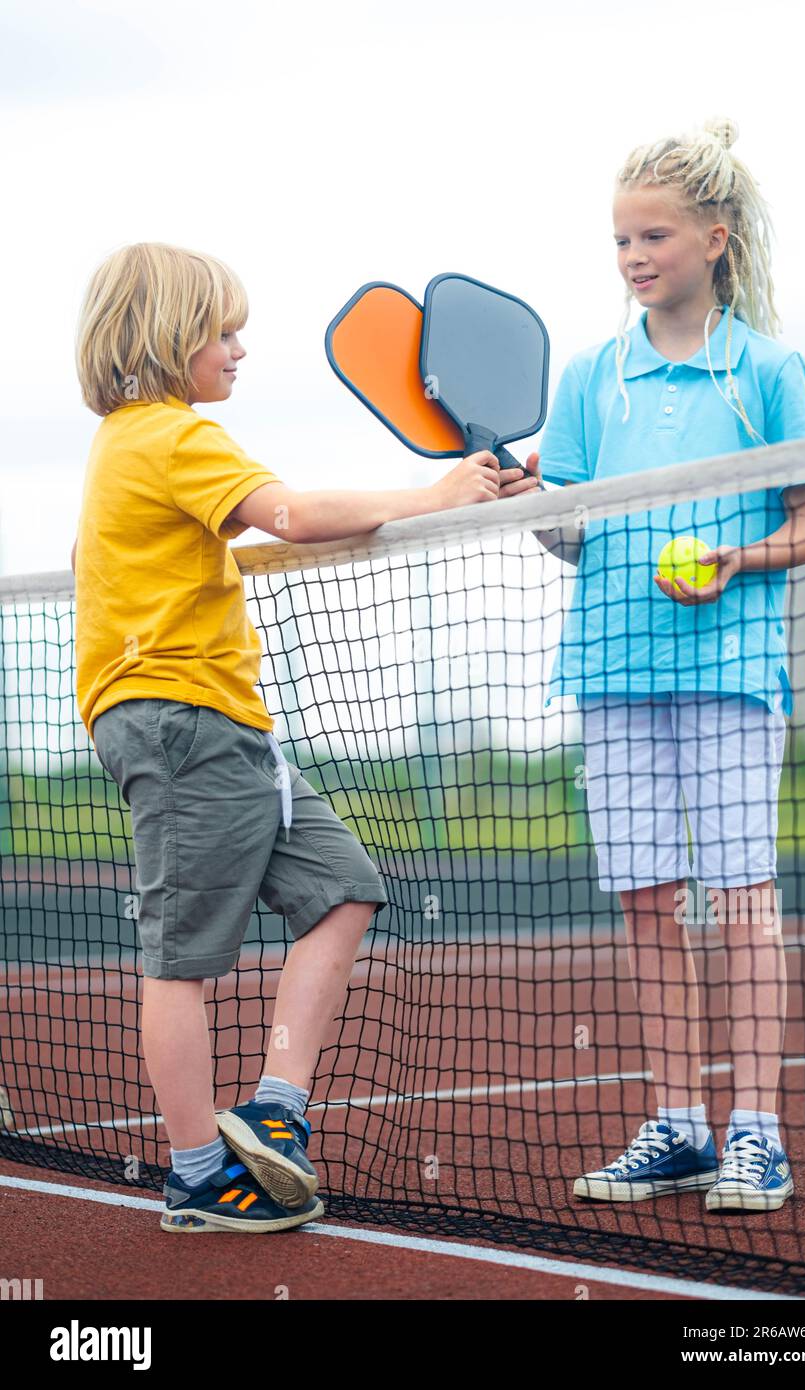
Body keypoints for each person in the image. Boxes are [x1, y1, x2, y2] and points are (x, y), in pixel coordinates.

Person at [71, 242, 539, 1233]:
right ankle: (198, 1172)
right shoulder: (169, 435)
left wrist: (458, 489)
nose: (239, 348)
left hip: (223, 729)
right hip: (185, 723)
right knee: (182, 965)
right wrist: (429, 496)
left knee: (344, 889)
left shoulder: (123, 450)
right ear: (163, 338)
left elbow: (224, 535)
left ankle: (272, 1117)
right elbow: (289, 512)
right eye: (221, 330)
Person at [525, 118, 805, 1212]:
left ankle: (754, 1129)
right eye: (617, 240)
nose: (631, 257)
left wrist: (735, 559)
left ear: (712, 237)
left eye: (651, 235)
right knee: (649, 903)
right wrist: (539, 510)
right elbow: (564, 527)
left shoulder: (769, 368)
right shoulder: (588, 377)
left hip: (730, 669)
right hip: (609, 666)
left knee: (740, 901)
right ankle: (675, 1122)